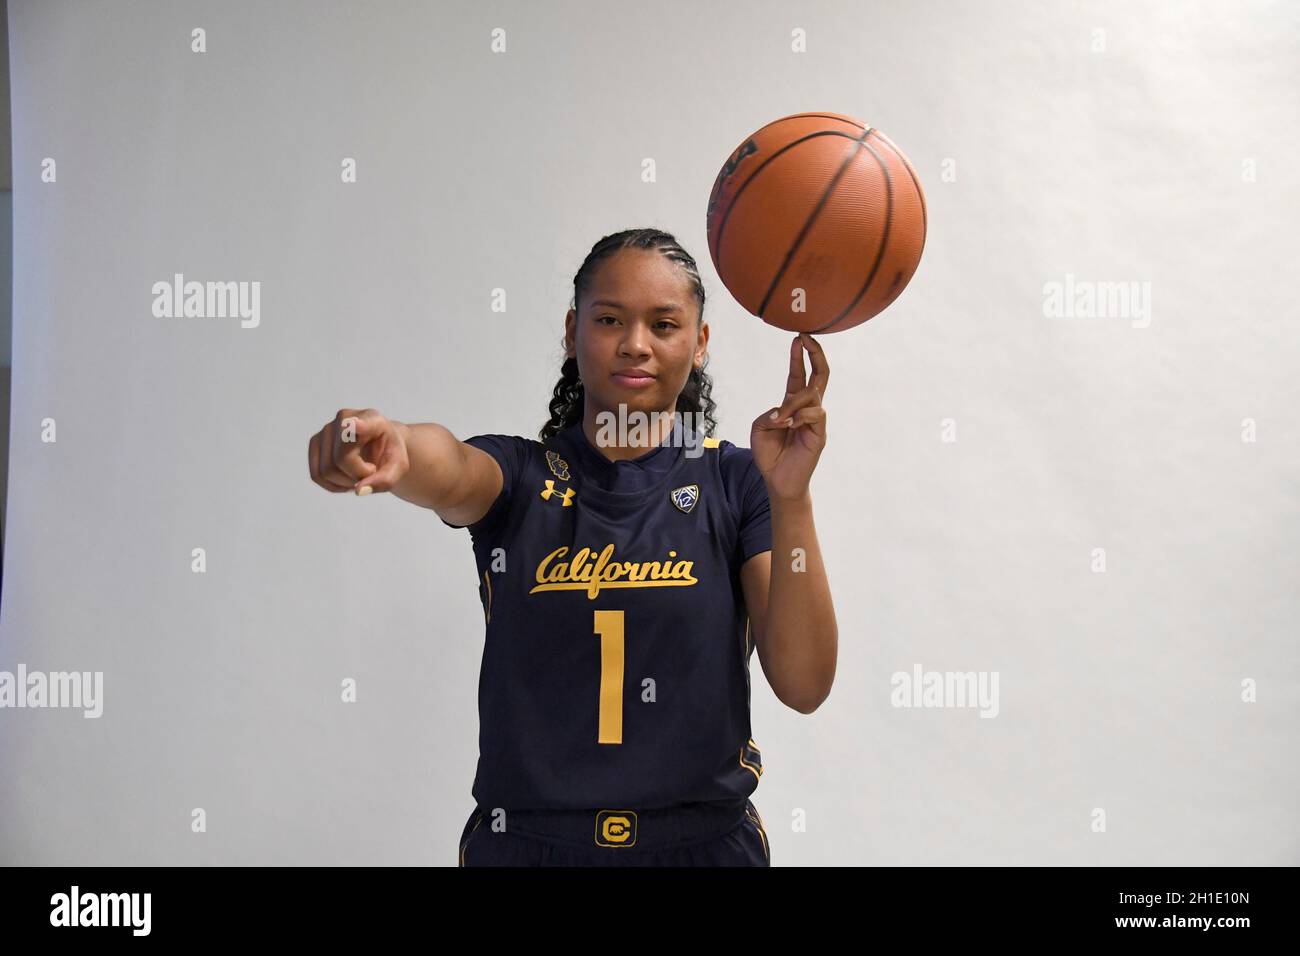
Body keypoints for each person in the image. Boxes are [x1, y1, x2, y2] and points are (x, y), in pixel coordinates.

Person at [308, 228, 837, 866]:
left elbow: (805, 683)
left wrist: (792, 497)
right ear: (571, 331)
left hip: (700, 846)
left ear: (699, 344)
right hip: (531, 846)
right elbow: (448, 464)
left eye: (664, 325)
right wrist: (394, 439)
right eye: (609, 318)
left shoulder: (735, 481)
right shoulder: (520, 477)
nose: (635, 344)